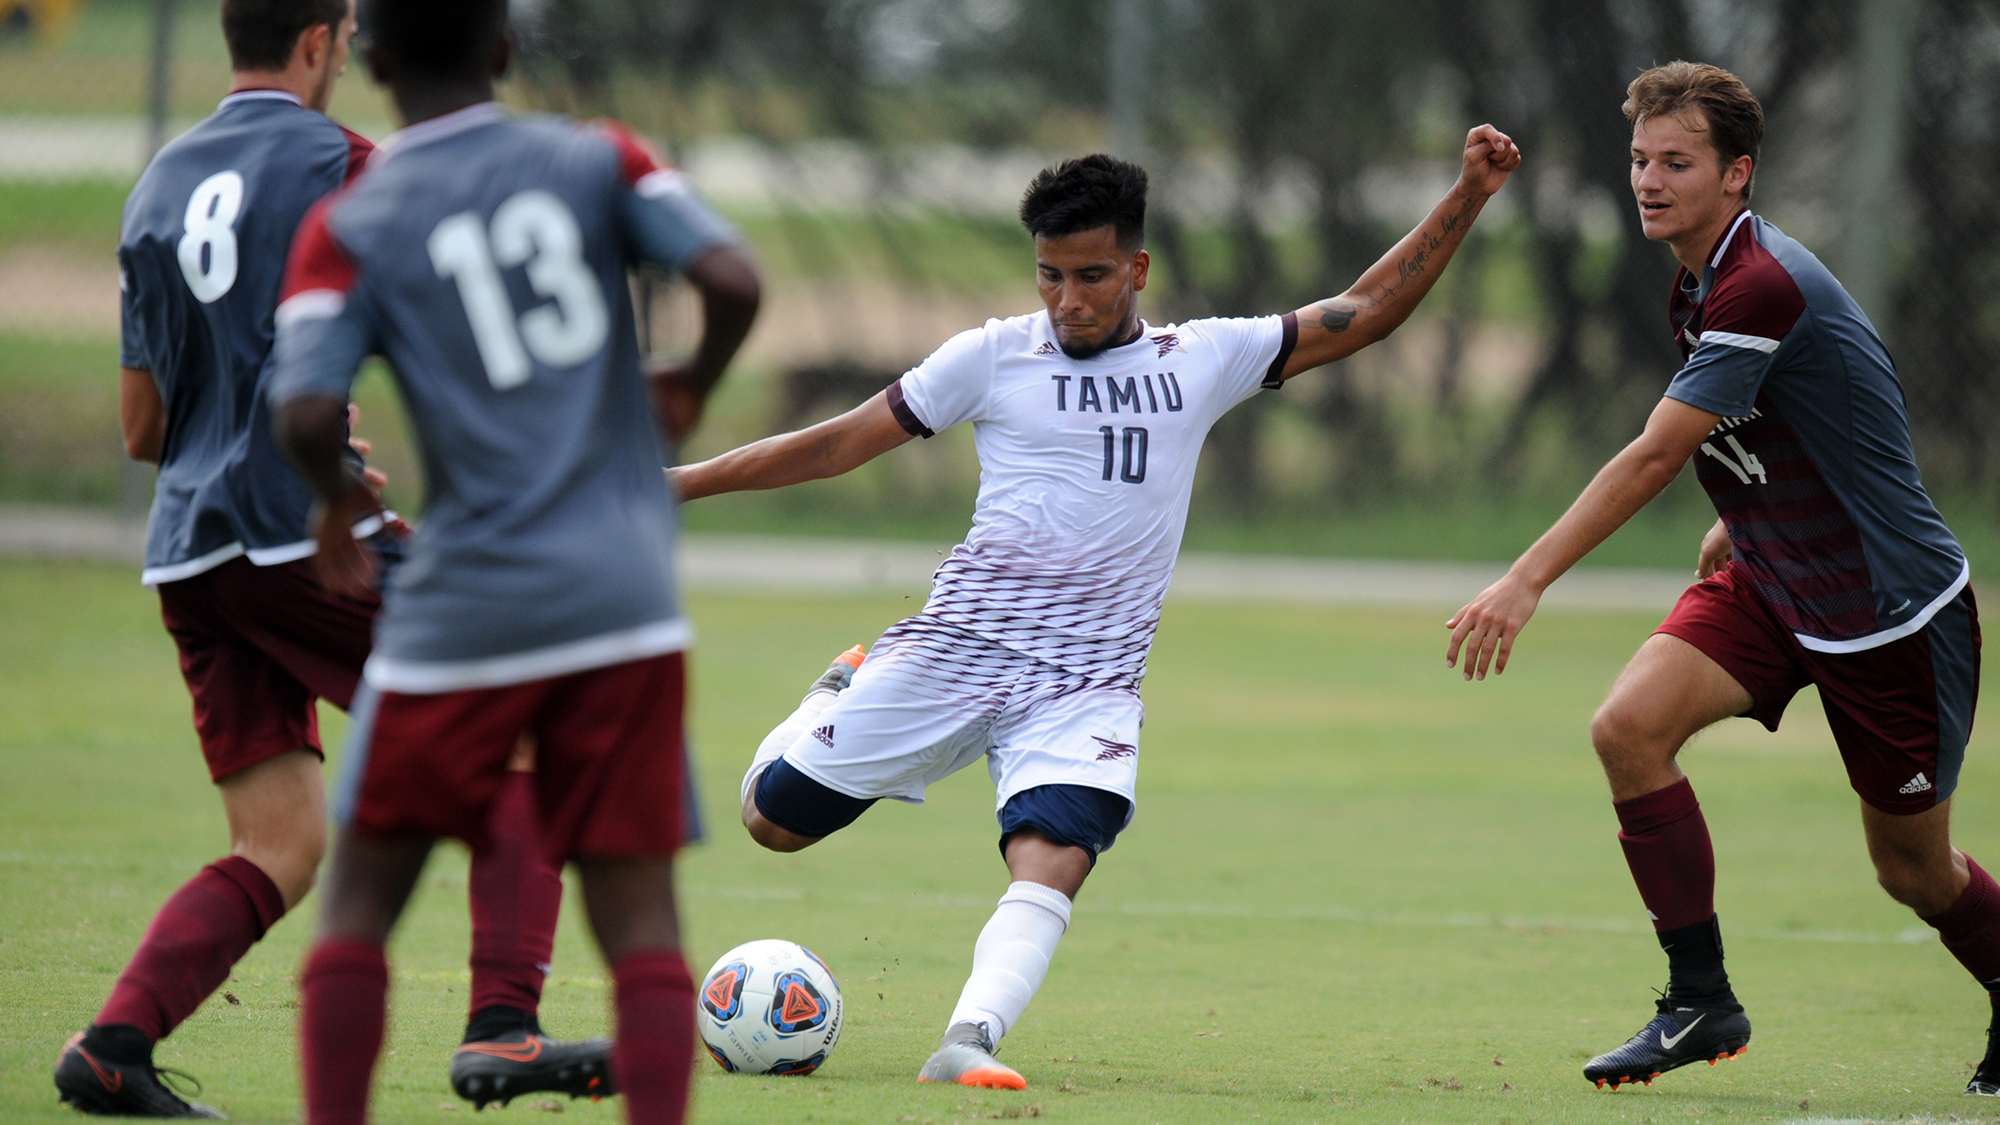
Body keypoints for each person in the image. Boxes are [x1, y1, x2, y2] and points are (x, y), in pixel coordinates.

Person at [671, 131, 1520, 1089]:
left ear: (1139, 268)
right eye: (1049, 276)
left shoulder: (1203, 358)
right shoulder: (989, 357)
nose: (1068, 300)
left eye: (1092, 275)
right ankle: (828, 695)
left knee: (1053, 853)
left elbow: (1363, 311)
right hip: (953, 650)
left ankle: (968, 1040)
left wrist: (1470, 191)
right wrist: (681, 484)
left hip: (1085, 685)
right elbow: (837, 445)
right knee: (771, 824)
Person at [49, 1, 603, 1115]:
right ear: (320, 38)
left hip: (189, 552)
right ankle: (503, 1025)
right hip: (295, 534)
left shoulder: (157, 182)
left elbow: (143, 429)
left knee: (281, 839)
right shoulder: (344, 160)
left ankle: (113, 1048)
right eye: (345, 37)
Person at [1445, 61, 1990, 1094]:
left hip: (1885, 613)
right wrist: (1733, 518)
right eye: (1641, 159)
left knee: (1911, 872)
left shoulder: (1759, 282)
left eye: (1677, 162)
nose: (1648, 180)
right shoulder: (1697, 280)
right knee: (1626, 729)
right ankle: (1699, 999)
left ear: (1736, 173)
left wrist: (1524, 579)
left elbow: (1654, 452)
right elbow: (1775, 417)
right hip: (1774, 579)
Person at [269, 1, 759, 1122]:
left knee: (357, 908)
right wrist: (687, 380)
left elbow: (301, 409)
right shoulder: (599, 156)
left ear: (374, 59)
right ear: (501, 49)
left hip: (465, 603)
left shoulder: (352, 217)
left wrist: (337, 498)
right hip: (624, 598)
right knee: (639, 919)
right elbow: (732, 276)